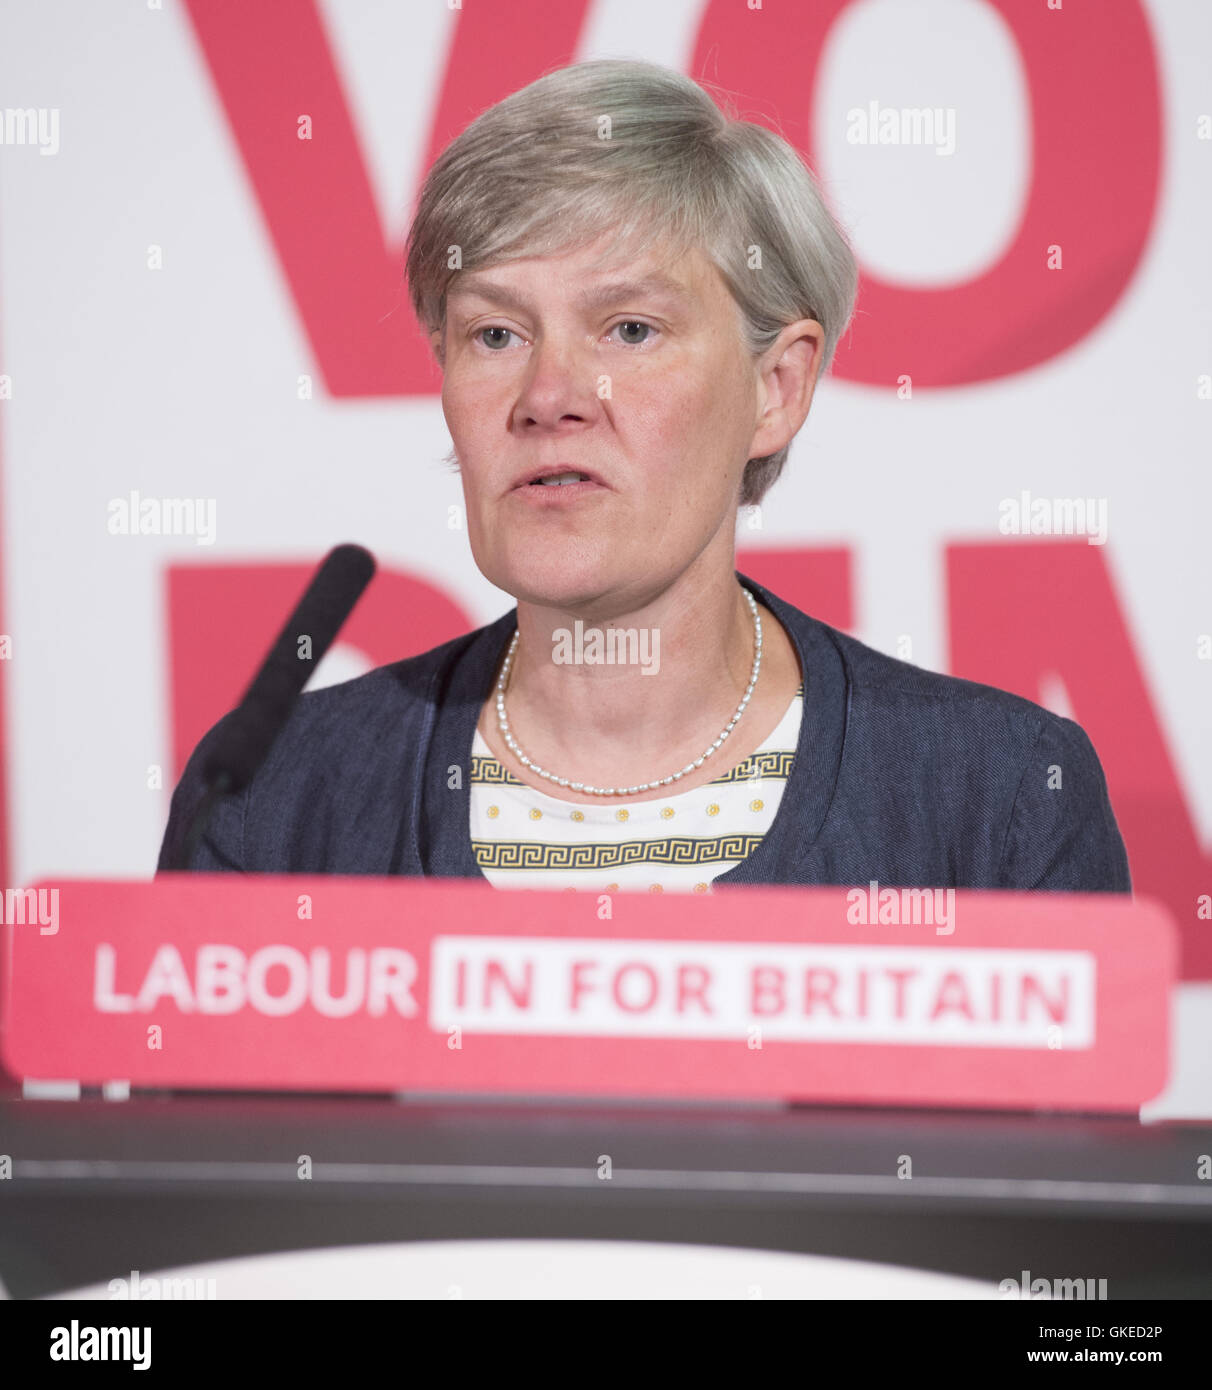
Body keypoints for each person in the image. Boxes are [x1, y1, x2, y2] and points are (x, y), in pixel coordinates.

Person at [158, 58, 1130, 895]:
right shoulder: (271, 797)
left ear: (776, 387)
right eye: (496, 332)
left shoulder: (1001, 797)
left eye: (629, 328)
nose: (549, 395)